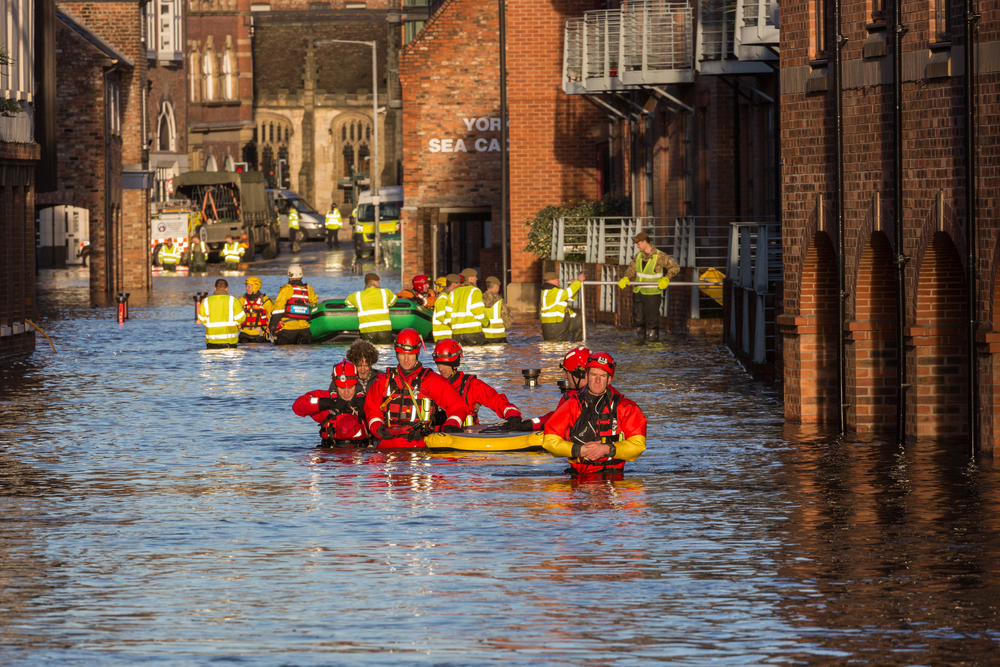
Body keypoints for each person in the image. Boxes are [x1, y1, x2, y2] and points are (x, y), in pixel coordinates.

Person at [543, 352, 647, 475]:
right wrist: (580, 450)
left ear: (609, 379)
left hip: (615, 478)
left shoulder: (627, 408)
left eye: (602, 376)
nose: (597, 380)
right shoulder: (571, 405)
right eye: (593, 375)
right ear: (586, 377)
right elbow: (549, 441)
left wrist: (605, 449)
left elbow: (638, 445)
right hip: (578, 480)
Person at [363, 328, 469, 444]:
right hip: (389, 444)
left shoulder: (432, 381)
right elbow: (371, 409)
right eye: (402, 354)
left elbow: (458, 407)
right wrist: (377, 427)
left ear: (417, 353)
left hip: (422, 445)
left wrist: (451, 424)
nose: (406, 359)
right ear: (396, 353)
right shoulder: (383, 381)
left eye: (410, 354)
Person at [432, 339, 525, 429]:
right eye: (438, 364)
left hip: (466, 438)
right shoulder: (431, 385)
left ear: (455, 364)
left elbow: (497, 401)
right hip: (438, 437)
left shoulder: (472, 386)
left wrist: (513, 415)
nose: (440, 369)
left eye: (444, 364)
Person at [618, 231, 680, 343]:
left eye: (638, 244)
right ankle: (640, 342)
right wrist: (626, 277)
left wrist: (667, 278)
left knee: (652, 320)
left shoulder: (660, 256)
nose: (637, 246)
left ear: (645, 242)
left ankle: (652, 343)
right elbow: (631, 269)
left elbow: (675, 267)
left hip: (652, 293)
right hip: (638, 291)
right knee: (638, 318)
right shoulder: (638, 256)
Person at [293, 359, 369, 447]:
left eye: (351, 387)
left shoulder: (367, 399)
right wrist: (328, 403)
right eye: (342, 388)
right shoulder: (325, 397)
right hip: (331, 455)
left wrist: (367, 406)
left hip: (361, 453)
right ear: (335, 386)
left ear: (356, 384)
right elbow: (297, 406)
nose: (346, 393)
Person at [518, 346, 591, 432]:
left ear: (579, 373)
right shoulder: (570, 396)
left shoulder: (600, 397)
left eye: (567, 372)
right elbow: (556, 416)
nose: (565, 376)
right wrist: (529, 424)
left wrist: (549, 425)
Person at [270, 263, 318, 345]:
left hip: (288, 329)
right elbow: (314, 304)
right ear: (301, 275)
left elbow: (278, 309)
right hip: (304, 329)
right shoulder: (309, 289)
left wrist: (272, 326)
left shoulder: (286, 289)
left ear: (289, 275)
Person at [345, 272, 398, 344]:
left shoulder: (357, 295)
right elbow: (393, 300)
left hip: (367, 331)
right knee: (386, 353)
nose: (379, 283)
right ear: (374, 282)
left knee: (370, 353)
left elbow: (347, 301)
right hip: (384, 329)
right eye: (378, 281)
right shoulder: (385, 292)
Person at [197, 278, 246, 349]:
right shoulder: (233, 300)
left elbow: (202, 320)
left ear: (214, 288)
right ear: (227, 289)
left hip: (212, 342)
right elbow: (241, 318)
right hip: (230, 342)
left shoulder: (206, 301)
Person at [540, 270, 586, 342]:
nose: (559, 281)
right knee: (558, 347)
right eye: (557, 279)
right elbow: (567, 293)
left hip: (561, 322)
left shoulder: (554, 291)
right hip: (553, 327)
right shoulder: (550, 292)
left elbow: (569, 297)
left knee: (580, 319)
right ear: (551, 281)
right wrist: (578, 281)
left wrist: (574, 284)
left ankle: (577, 344)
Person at [450, 268, 487, 346]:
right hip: (473, 332)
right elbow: (478, 312)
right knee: (475, 357)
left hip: (456, 333)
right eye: (475, 276)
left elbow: (448, 312)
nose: (477, 278)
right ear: (470, 279)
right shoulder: (475, 291)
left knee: (461, 356)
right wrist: (486, 323)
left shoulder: (453, 292)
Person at [236, 277, 275, 344]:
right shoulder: (241, 300)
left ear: (256, 287)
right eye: (246, 286)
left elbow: (275, 318)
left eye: (249, 287)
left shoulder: (266, 301)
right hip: (244, 334)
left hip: (260, 334)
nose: (246, 289)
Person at [481, 276, 512, 344]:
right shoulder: (500, 301)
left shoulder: (479, 300)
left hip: (483, 337)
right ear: (496, 286)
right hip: (499, 337)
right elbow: (508, 321)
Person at [432, 274, 459, 342]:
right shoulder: (443, 297)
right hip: (442, 335)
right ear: (454, 284)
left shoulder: (448, 296)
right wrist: (452, 324)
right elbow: (440, 316)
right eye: (459, 283)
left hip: (447, 334)